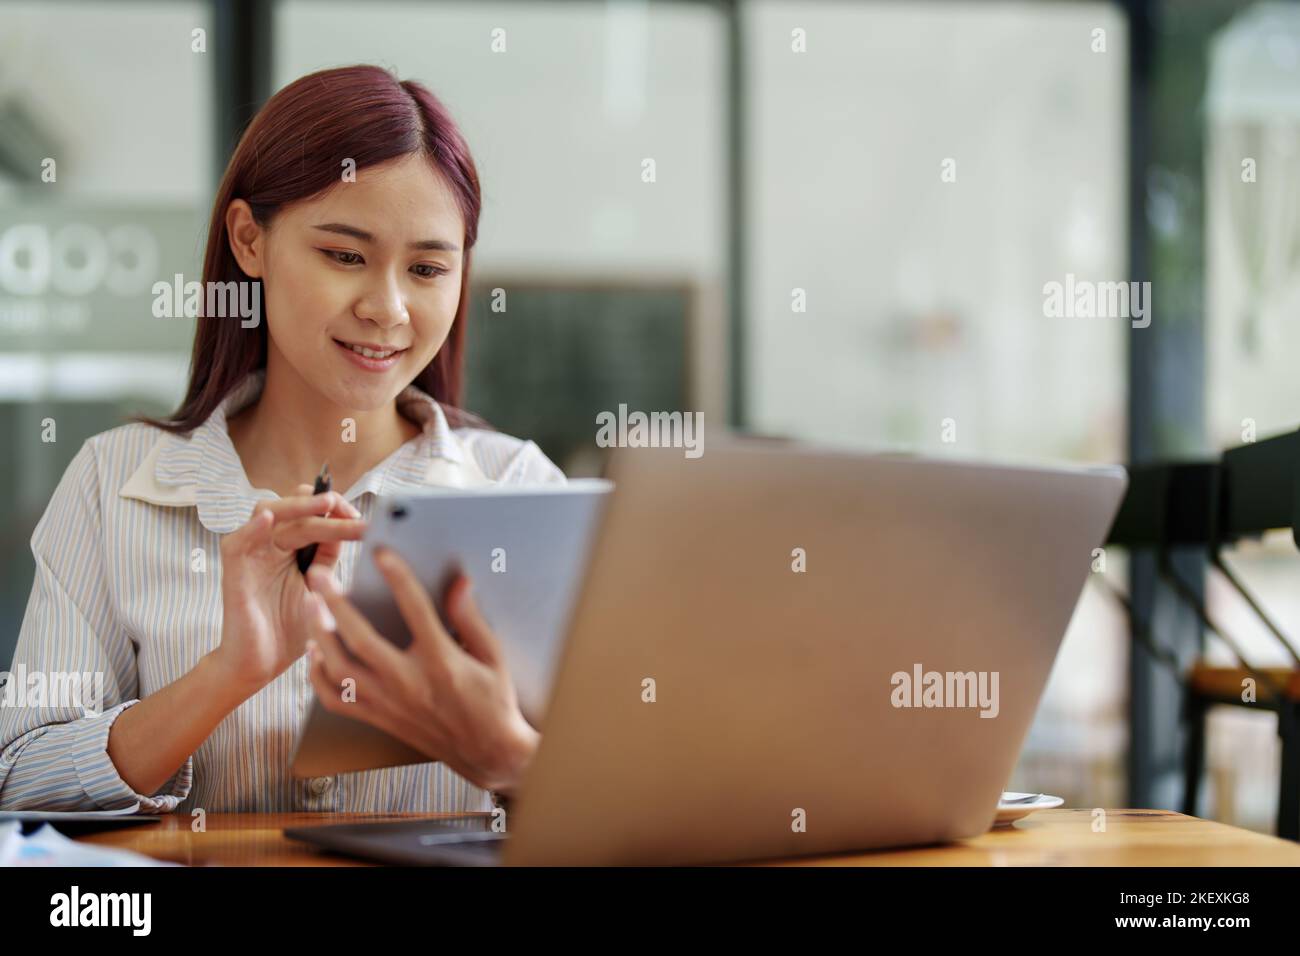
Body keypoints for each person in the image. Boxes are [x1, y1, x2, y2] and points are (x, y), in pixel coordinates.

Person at [0, 65, 555, 815]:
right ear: (248, 241)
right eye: (345, 256)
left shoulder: (524, 492)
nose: (388, 309)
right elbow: (20, 780)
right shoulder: (113, 482)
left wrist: (514, 762)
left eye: (427, 268)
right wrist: (227, 673)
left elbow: (650, 803)